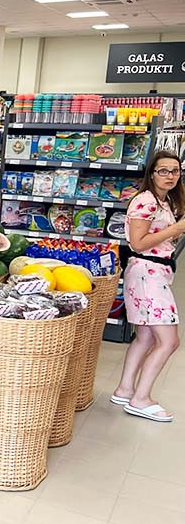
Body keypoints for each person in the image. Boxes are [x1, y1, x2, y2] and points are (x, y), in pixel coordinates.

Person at [113, 150, 184, 422]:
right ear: (151, 173)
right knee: (169, 341)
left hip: (153, 273)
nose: (170, 176)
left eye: (175, 171)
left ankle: (125, 389)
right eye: (163, 171)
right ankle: (141, 398)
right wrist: (175, 230)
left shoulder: (163, 201)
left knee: (144, 337)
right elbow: (138, 242)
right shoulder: (145, 201)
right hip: (147, 274)